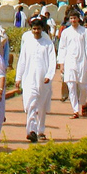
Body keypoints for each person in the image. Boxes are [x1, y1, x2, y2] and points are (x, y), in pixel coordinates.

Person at [15, 15, 56, 143]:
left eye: (38, 29)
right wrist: (18, 77)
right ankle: (31, 131)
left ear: (42, 29)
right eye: (34, 29)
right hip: (29, 78)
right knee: (31, 104)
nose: (36, 31)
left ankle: (40, 130)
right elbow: (22, 61)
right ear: (31, 29)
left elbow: (52, 61)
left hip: (43, 80)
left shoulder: (48, 43)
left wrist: (49, 75)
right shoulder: (28, 43)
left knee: (42, 106)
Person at [58, 10, 87, 119]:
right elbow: (62, 48)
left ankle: (83, 103)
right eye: (71, 18)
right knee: (71, 86)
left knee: (83, 87)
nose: (73, 20)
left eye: (75, 18)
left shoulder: (84, 32)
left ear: (78, 19)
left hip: (82, 62)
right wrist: (61, 63)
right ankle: (75, 110)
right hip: (69, 62)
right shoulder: (66, 32)